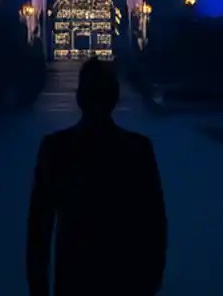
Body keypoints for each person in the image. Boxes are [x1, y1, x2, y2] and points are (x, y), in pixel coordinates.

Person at [27, 59, 167, 296]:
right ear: (115, 96)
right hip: (124, 280)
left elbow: (39, 232)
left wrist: (39, 289)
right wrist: (149, 282)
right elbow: (154, 226)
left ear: (79, 97)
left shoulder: (56, 149)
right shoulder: (138, 149)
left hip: (74, 280)